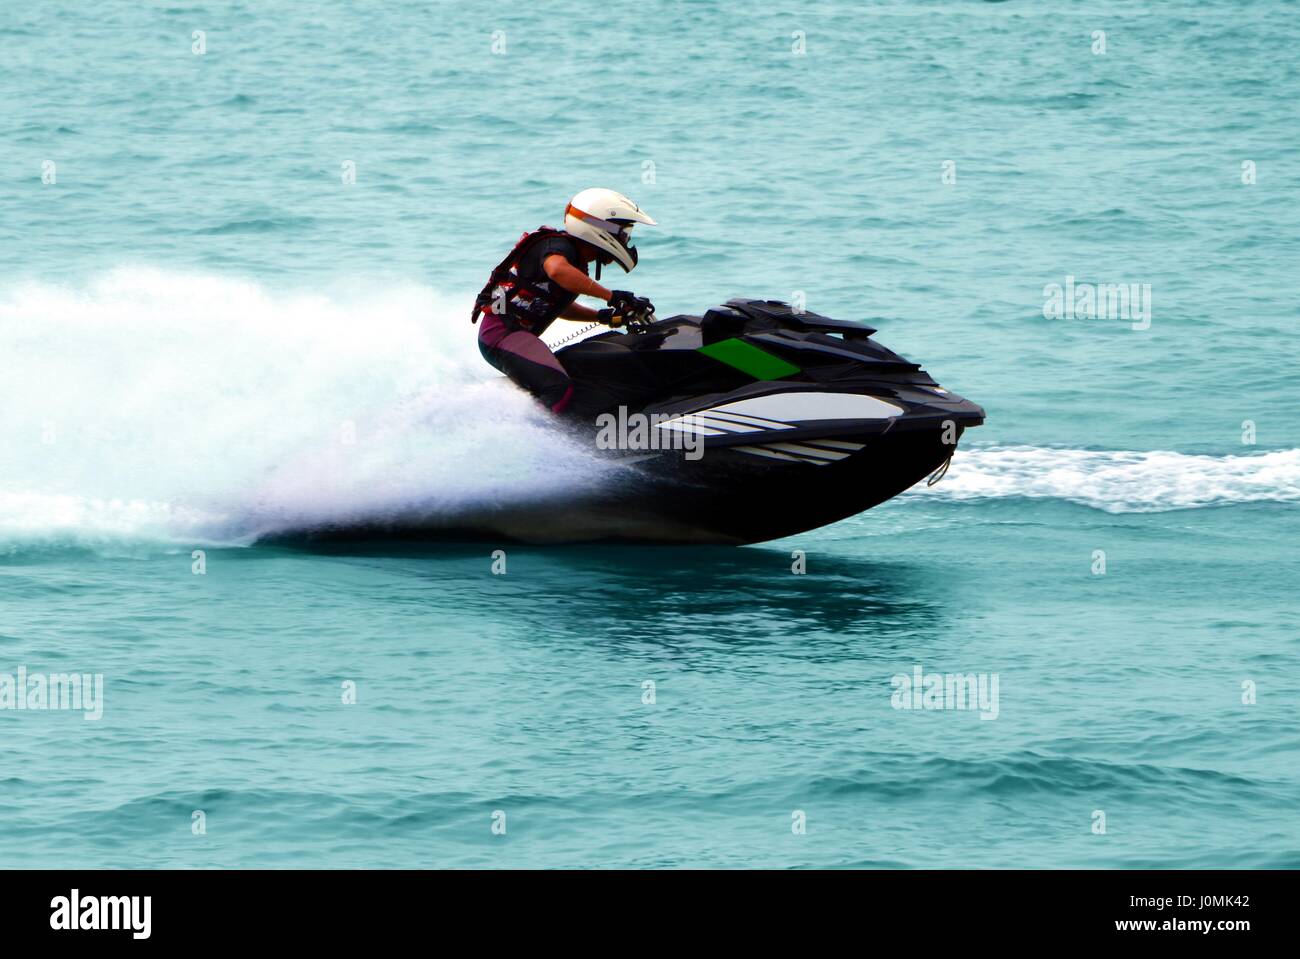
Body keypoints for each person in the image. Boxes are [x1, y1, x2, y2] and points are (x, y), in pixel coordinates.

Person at [471, 188, 657, 414]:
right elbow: (557, 270)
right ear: (600, 228)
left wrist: (602, 316)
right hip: (501, 335)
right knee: (557, 387)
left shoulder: (576, 259)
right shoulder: (558, 249)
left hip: (511, 335)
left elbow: (558, 306)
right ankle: (541, 439)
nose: (625, 240)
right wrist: (611, 296)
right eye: (623, 234)